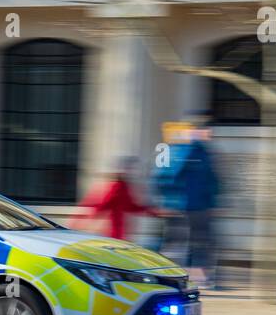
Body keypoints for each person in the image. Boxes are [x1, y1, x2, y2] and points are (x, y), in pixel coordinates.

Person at [155, 121, 221, 287]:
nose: (210, 135)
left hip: (196, 206)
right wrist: (169, 201)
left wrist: (213, 203)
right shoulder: (189, 150)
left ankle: (193, 276)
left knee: (191, 242)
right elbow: (171, 176)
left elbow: (212, 182)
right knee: (180, 242)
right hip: (187, 206)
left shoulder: (201, 151)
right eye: (207, 131)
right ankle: (166, 274)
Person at [71, 156, 162, 241]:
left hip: (120, 230)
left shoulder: (123, 186)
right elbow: (106, 204)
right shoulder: (118, 186)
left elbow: (130, 206)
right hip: (115, 230)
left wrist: (150, 211)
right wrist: (90, 217)